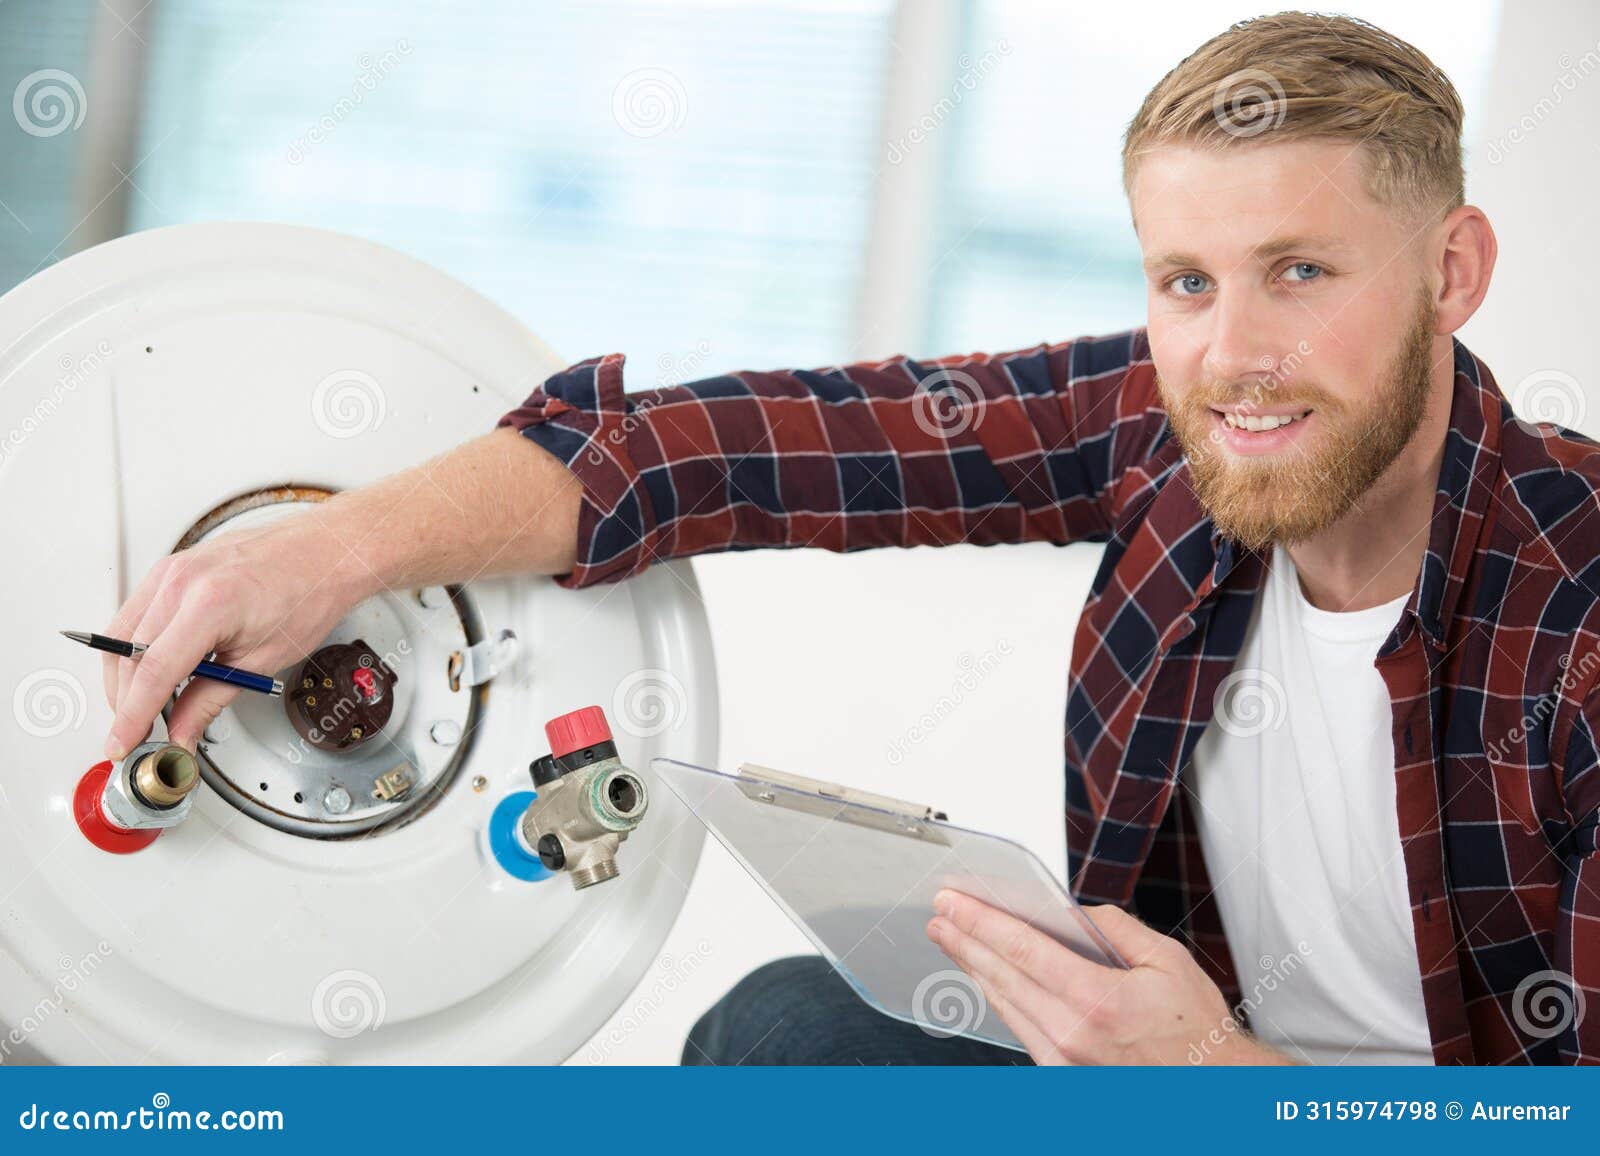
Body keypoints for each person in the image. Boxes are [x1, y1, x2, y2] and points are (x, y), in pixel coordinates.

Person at [100, 12, 1598, 1065]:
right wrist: (327, 554)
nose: (1235, 354)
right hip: (1164, 1073)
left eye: (1301, 271)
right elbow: (716, 452)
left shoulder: (1575, 622)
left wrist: (1225, 1078)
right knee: (784, 1036)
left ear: (1452, 270)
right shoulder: (1165, 426)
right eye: (1187, 282)